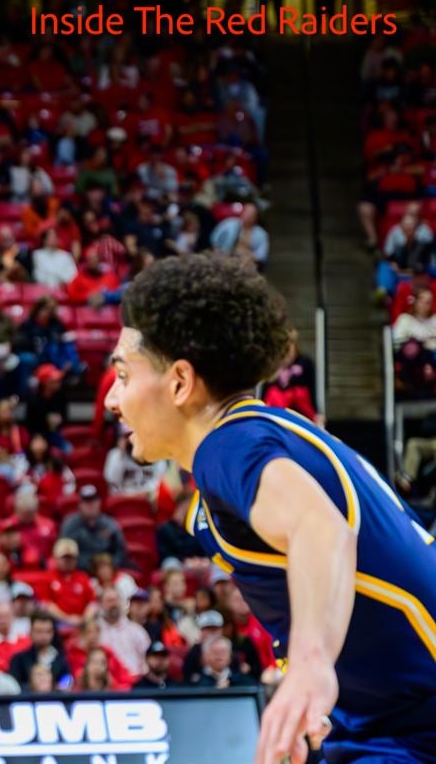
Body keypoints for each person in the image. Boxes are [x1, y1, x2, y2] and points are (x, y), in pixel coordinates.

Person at [105, 252, 436, 764]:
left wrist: (310, 663)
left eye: (123, 376)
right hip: (384, 722)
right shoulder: (266, 434)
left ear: (179, 383)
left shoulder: (228, 446)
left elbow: (320, 529)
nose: (110, 399)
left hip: (414, 727)